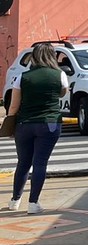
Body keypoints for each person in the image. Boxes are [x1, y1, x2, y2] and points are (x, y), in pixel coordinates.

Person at [5, 43, 68, 214]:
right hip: (50, 123)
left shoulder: (22, 77)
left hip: (24, 124)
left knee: (23, 162)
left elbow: (13, 107)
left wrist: (10, 126)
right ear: (52, 56)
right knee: (40, 163)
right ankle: (33, 203)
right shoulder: (59, 75)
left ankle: (15, 200)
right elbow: (62, 93)